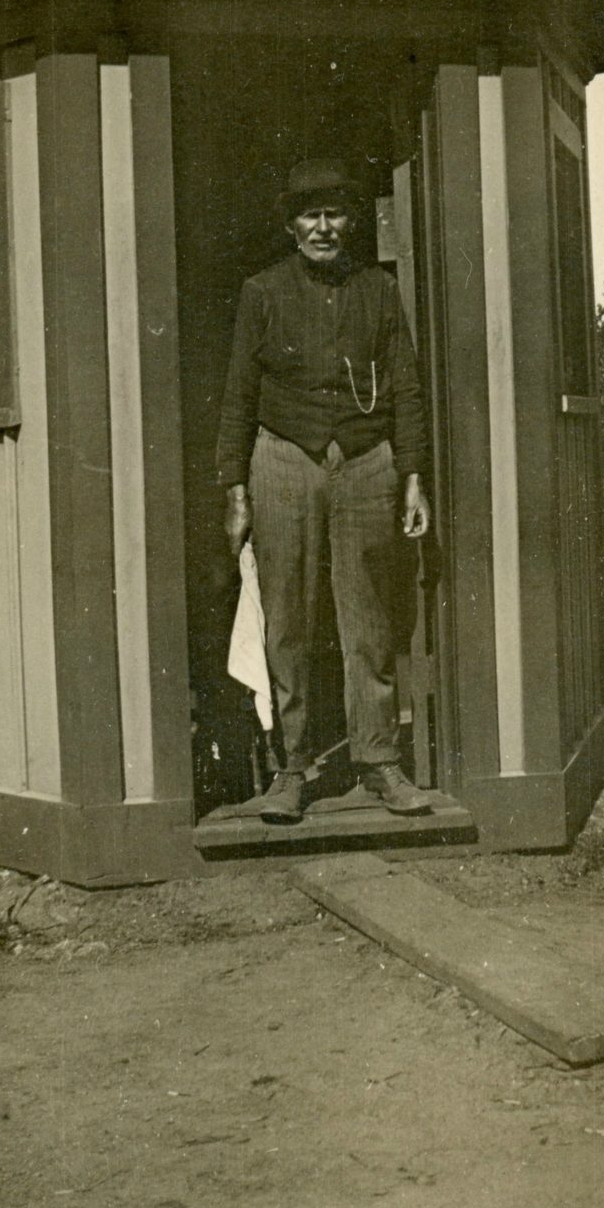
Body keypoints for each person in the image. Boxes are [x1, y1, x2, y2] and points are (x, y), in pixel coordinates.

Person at [216, 158, 434, 824]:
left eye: (334, 213)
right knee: (288, 618)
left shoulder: (378, 291)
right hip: (282, 459)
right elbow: (238, 395)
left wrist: (412, 477)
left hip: (367, 463)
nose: (322, 227)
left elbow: (407, 389)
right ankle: (292, 769)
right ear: (290, 226)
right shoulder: (262, 292)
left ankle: (379, 762)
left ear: (351, 221)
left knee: (368, 618)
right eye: (309, 215)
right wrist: (235, 489)